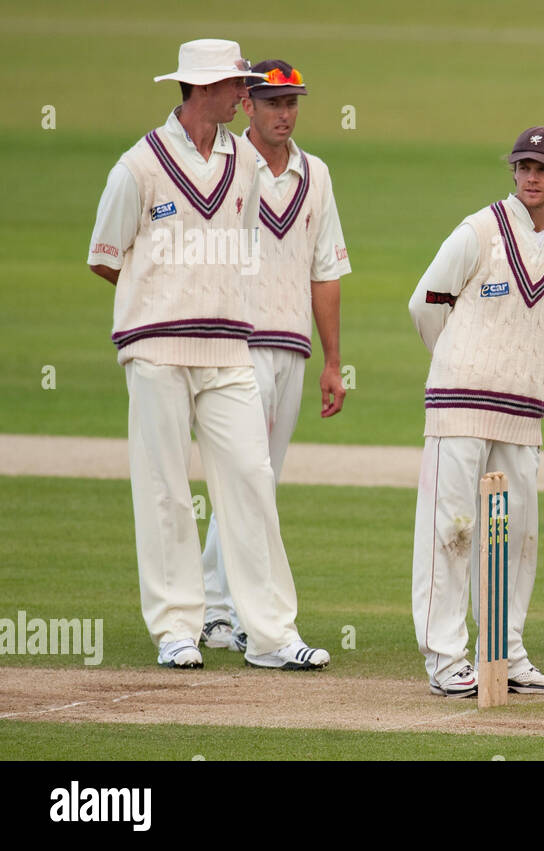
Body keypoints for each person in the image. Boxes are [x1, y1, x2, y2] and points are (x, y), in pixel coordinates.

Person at [86, 39, 330, 670]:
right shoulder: (138, 166)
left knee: (251, 481)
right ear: (199, 89)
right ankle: (176, 631)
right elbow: (106, 258)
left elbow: (241, 251)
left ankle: (273, 635)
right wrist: (164, 299)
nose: (242, 94)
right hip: (158, 348)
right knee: (165, 486)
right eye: (233, 85)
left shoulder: (244, 163)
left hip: (230, 347)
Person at [409, 126, 544, 698]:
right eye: (523, 167)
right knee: (452, 530)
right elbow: (426, 304)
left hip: (525, 412)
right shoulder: (478, 231)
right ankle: (444, 659)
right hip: (460, 406)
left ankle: (504, 654)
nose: (531, 177)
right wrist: (459, 365)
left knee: (515, 539)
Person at [199, 59, 351, 654]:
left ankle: (225, 610)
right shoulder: (224, 168)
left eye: (291, 103)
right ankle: (222, 611)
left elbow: (326, 269)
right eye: (271, 103)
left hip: (291, 346)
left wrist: (333, 361)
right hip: (235, 343)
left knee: (261, 479)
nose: (283, 114)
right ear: (247, 106)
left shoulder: (317, 174)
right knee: (248, 477)